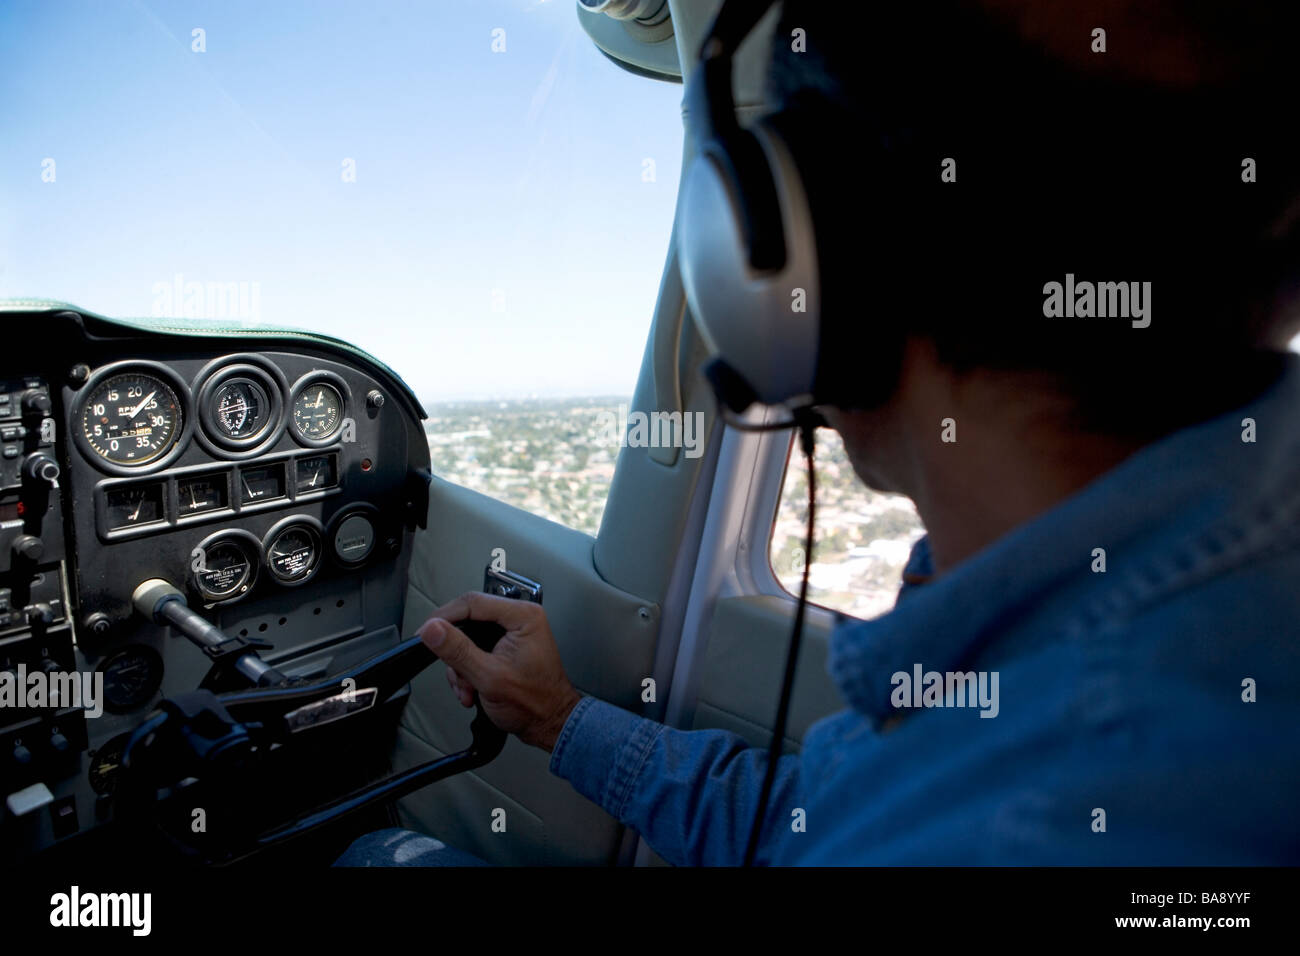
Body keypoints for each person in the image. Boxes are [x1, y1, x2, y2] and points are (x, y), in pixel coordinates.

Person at [336, 0, 1300, 866]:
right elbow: (817, 819)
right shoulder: (1087, 640)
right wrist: (561, 718)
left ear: (804, 279)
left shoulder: (1034, 814)